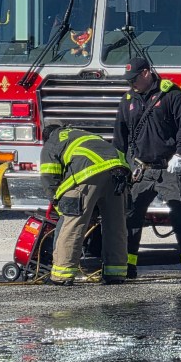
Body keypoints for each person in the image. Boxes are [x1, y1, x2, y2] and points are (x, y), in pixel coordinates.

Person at [113, 57, 181, 281]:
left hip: (168, 167)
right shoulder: (128, 99)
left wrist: (180, 154)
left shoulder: (171, 95)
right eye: (129, 80)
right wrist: (120, 168)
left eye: (135, 79)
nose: (132, 84)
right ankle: (127, 268)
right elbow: (119, 140)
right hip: (141, 169)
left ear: (147, 73)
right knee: (130, 218)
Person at [39, 121, 130, 286]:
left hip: (87, 174)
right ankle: (116, 273)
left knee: (73, 223)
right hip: (119, 171)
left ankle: (61, 275)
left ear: (46, 137)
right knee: (116, 225)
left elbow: (49, 177)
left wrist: (58, 204)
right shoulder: (82, 134)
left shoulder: (52, 142)